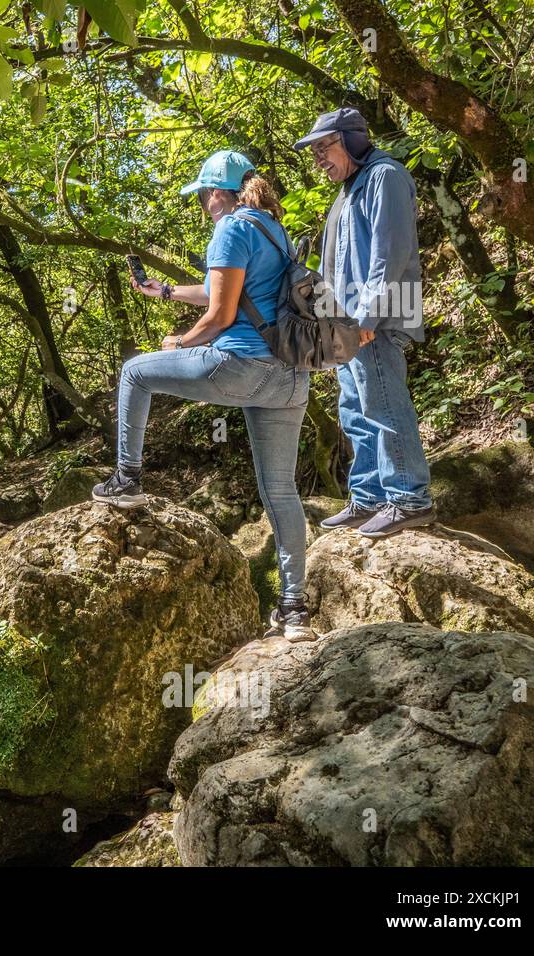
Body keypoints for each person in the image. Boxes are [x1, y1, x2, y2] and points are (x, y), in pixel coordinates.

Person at [92, 150, 314, 641]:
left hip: (241, 366)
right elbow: (232, 294)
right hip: (290, 379)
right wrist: (167, 292)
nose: (201, 205)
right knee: (281, 491)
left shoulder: (230, 228)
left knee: (134, 373)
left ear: (217, 193)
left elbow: (219, 316)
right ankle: (294, 611)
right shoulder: (271, 229)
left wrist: (180, 341)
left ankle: (127, 480)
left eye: (202, 196)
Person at [295, 108, 436, 537]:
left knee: (383, 405)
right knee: (354, 409)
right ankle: (369, 496)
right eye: (314, 151)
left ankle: (410, 498)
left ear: (353, 140)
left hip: (378, 318)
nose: (318, 158)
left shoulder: (385, 176)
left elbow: (388, 255)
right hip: (347, 322)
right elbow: (334, 269)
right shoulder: (347, 191)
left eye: (325, 146)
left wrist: (367, 318)